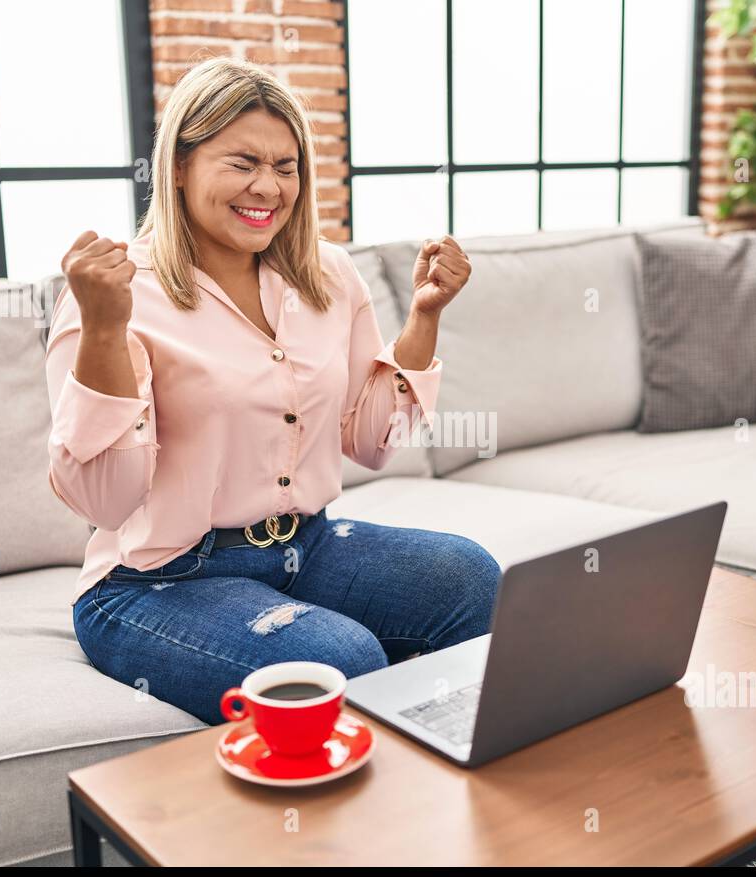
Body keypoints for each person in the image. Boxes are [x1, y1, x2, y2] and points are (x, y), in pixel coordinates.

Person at [45, 56, 500, 726]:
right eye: (242, 163)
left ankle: (457, 771)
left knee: (470, 577)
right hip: (154, 582)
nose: (268, 187)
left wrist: (424, 317)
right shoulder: (118, 295)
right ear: (179, 164)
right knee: (341, 659)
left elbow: (373, 443)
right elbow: (105, 500)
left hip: (304, 545)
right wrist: (106, 330)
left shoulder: (328, 274)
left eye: (286, 167)